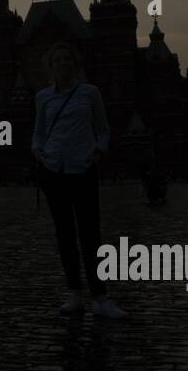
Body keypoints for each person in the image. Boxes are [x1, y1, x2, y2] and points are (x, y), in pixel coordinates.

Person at [32, 41, 126, 319]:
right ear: (51, 66)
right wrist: (37, 152)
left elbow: (103, 129)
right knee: (65, 235)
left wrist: (97, 154)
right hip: (53, 171)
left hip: (82, 169)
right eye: (57, 59)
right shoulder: (43, 98)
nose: (63, 63)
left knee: (90, 235)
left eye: (67, 59)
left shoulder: (90, 93)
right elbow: (38, 131)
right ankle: (74, 294)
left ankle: (100, 297)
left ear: (75, 65)